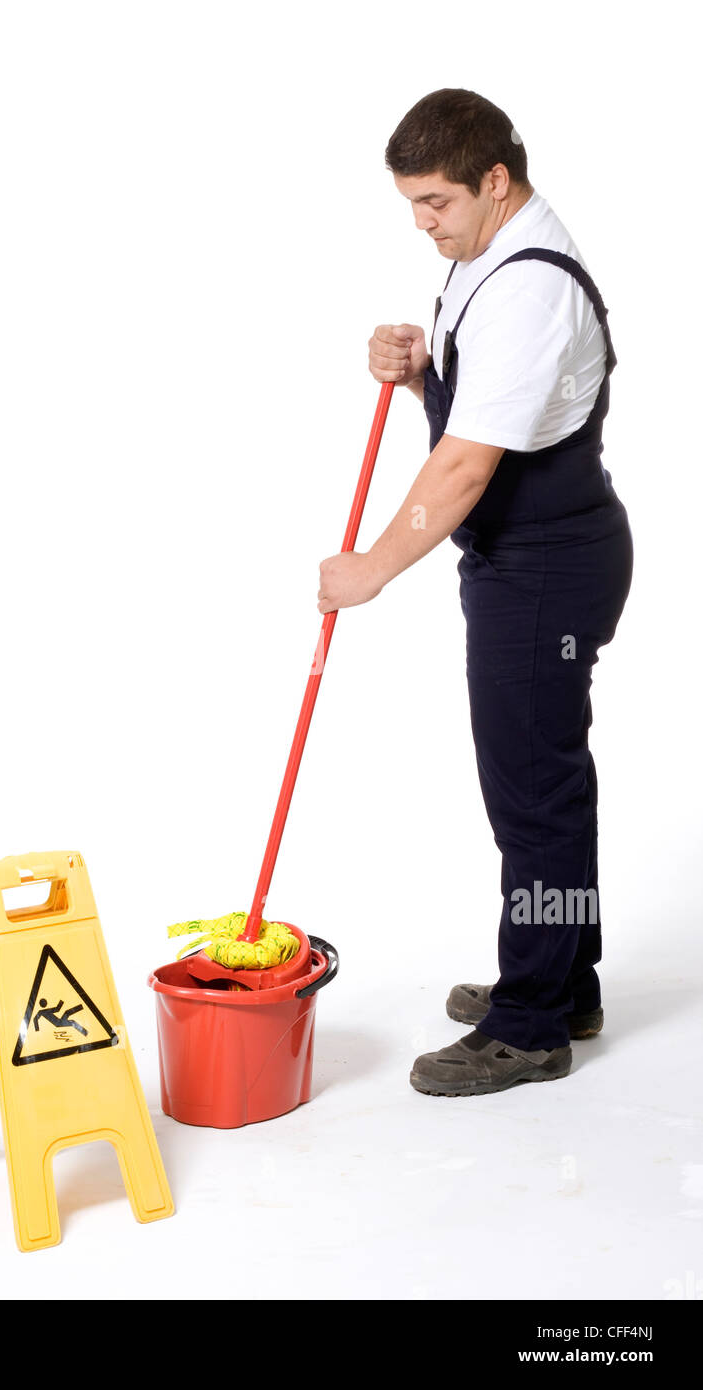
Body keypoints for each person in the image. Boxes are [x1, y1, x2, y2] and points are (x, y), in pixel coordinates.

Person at [316, 88, 633, 1098]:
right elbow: (483, 400)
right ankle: (563, 977)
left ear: (494, 180)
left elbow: (461, 469)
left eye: (434, 202)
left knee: (529, 796)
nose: (422, 224)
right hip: (525, 556)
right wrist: (416, 369)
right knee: (543, 781)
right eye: (411, 204)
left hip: (543, 567)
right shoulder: (485, 255)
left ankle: (531, 1021)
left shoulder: (526, 286)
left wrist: (367, 566)